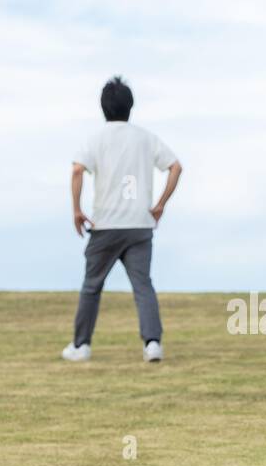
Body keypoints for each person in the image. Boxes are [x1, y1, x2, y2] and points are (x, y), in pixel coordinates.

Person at [62, 76, 182, 363]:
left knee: (92, 286)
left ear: (103, 107)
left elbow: (78, 171)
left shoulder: (96, 139)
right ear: (130, 106)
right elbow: (175, 167)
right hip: (140, 225)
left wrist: (77, 210)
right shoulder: (145, 138)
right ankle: (152, 343)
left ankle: (81, 345)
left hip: (105, 225)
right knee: (143, 286)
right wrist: (160, 204)